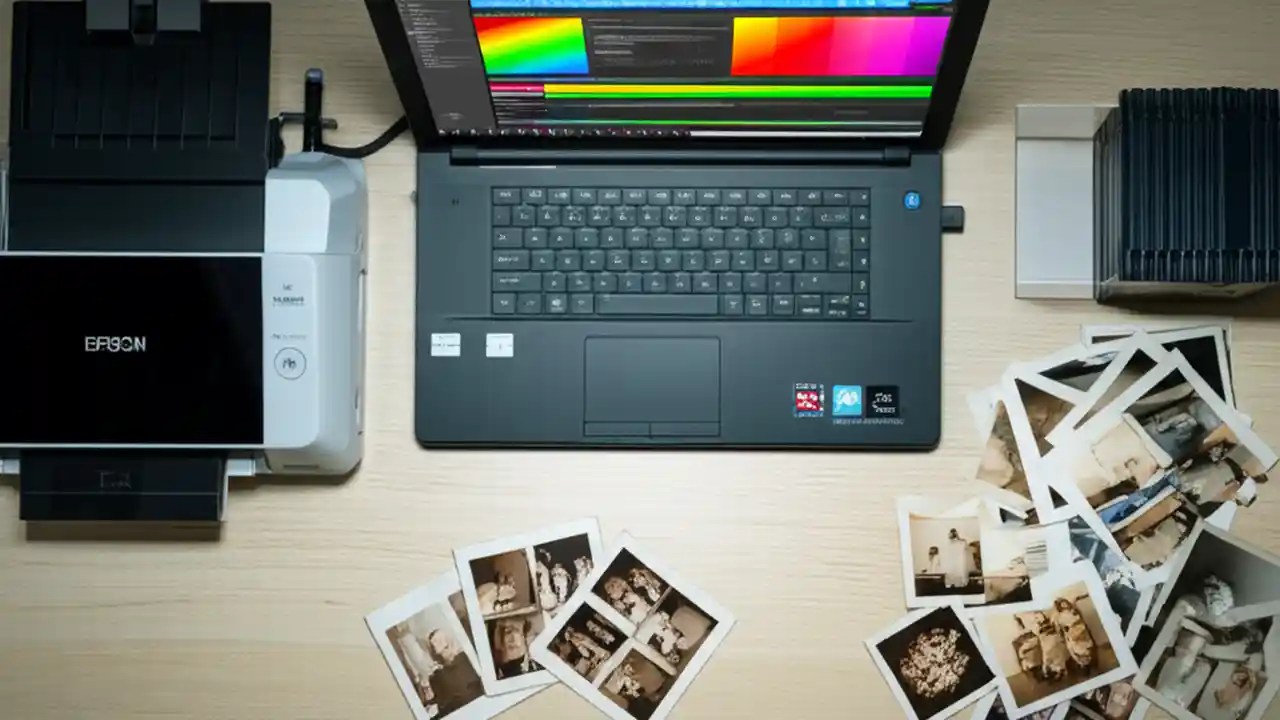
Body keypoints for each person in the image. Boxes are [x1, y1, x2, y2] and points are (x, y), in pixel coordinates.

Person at [424, 629, 483, 716]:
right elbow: (440, 700)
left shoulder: (466, 659)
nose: (434, 645)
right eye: (433, 643)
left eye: (438, 641)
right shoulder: (436, 676)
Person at [1053, 597, 1097, 673]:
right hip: (1071, 634)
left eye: (1064, 602)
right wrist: (1063, 634)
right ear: (1059, 606)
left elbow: (1080, 619)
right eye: (1061, 604)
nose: (1064, 605)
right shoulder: (1059, 616)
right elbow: (1060, 627)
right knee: (1074, 650)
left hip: (1081, 631)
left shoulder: (1074, 611)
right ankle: (1083, 665)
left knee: (1085, 649)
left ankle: (1088, 663)